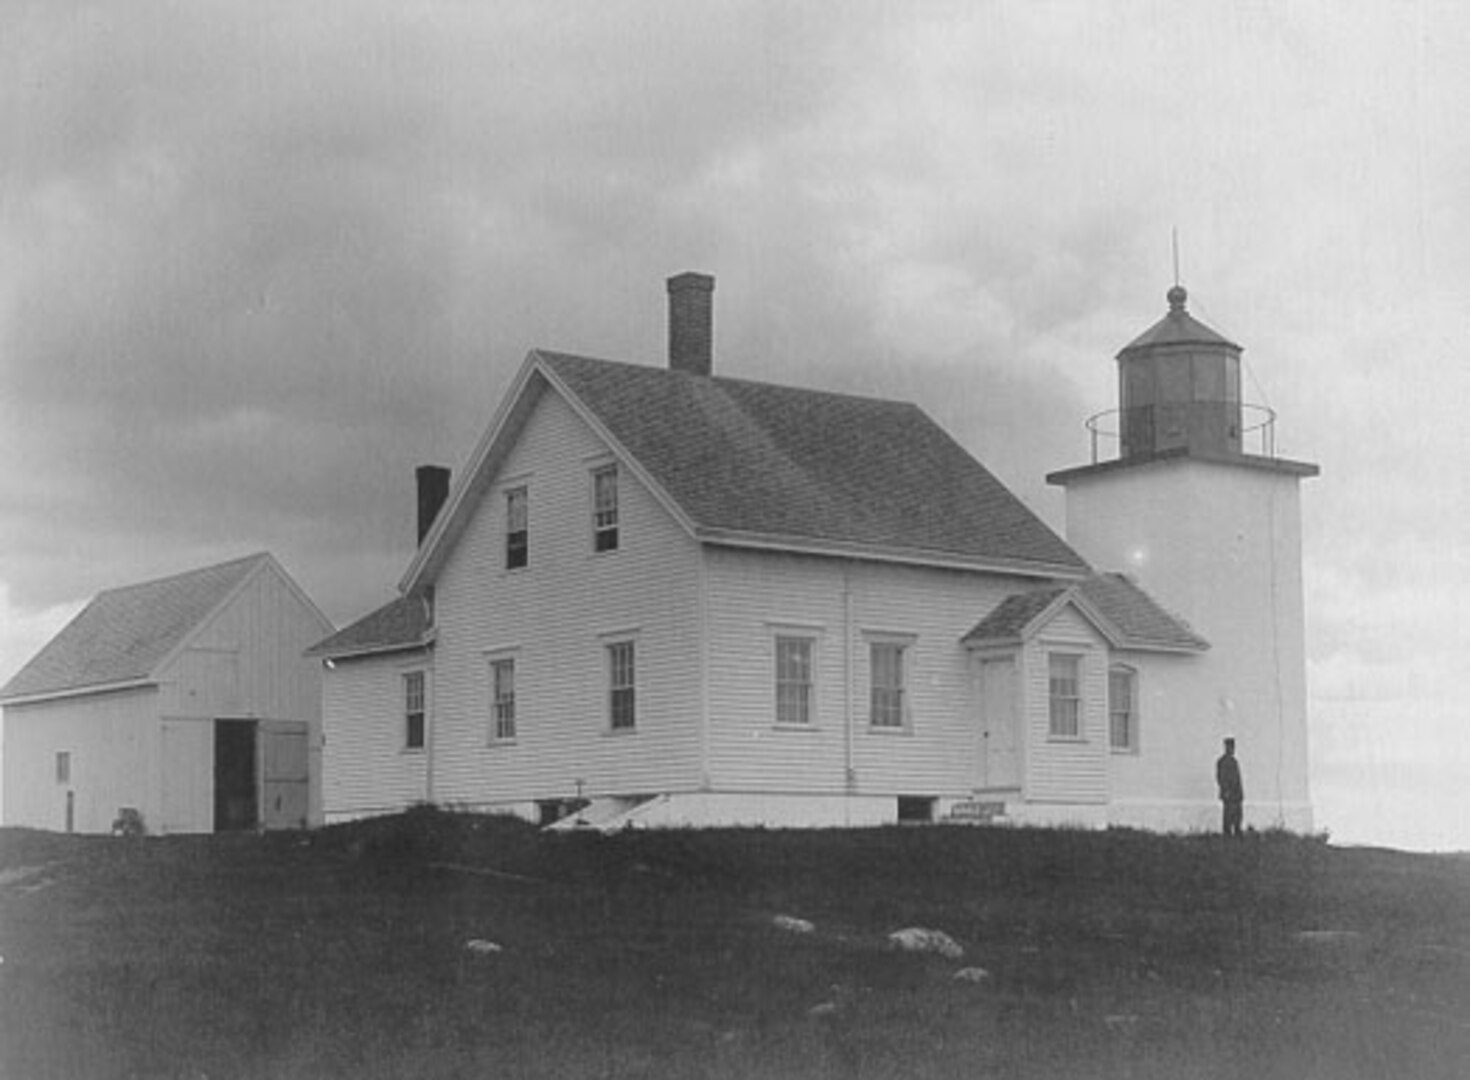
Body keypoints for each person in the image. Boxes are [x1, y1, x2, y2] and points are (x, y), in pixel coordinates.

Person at [1216, 737, 1244, 837]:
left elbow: (1238, 779)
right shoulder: (1222, 762)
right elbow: (1221, 778)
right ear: (1226, 747)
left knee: (1237, 815)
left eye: (1233, 747)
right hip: (1229, 794)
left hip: (1236, 794)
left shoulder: (1234, 761)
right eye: (1230, 747)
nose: (1232, 749)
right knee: (1228, 815)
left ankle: (1237, 832)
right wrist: (1226, 790)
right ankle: (1227, 834)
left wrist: (1240, 794)